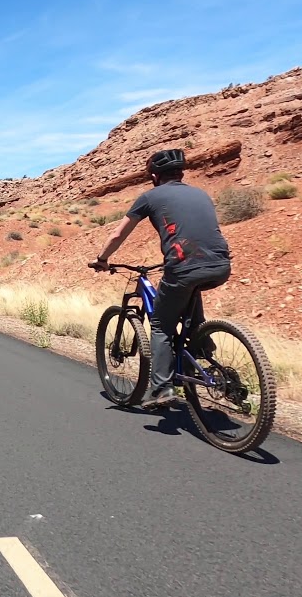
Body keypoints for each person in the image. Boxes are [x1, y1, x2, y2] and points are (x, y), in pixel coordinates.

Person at [90, 149, 232, 408]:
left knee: (160, 325)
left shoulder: (149, 196)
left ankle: (161, 388)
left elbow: (117, 235)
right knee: (189, 295)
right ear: (181, 173)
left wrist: (102, 259)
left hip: (183, 267)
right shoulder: (201, 193)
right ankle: (202, 345)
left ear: (154, 176)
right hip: (220, 264)